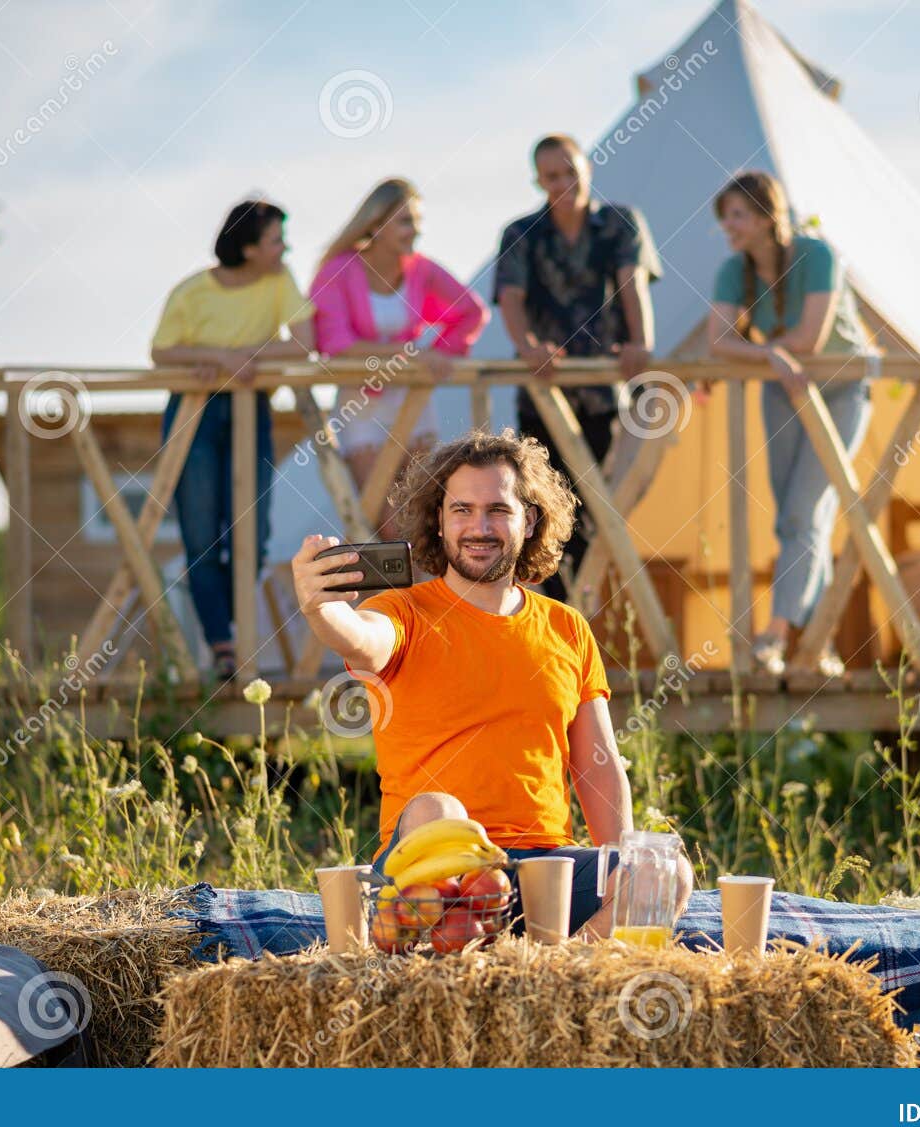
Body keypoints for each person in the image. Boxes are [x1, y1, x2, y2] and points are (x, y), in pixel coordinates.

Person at [290, 430, 693, 937]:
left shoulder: (566, 627)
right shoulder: (402, 611)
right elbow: (359, 639)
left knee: (665, 870)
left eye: (498, 510)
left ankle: (555, 974)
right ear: (438, 521)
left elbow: (599, 767)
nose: (478, 527)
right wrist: (322, 608)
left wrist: (625, 870)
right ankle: (454, 942)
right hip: (434, 871)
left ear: (530, 520)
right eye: (462, 510)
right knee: (439, 808)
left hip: (546, 872)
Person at [707, 171, 877, 677]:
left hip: (841, 390)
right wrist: (772, 357)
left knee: (803, 512)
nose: (728, 227)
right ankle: (818, 643)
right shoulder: (733, 271)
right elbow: (717, 341)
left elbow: (810, 338)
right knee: (798, 518)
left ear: (766, 217)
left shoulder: (816, 255)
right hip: (785, 388)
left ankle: (776, 634)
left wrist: (768, 353)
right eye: (725, 217)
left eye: (737, 215)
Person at [492, 134, 662, 602]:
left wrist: (639, 344)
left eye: (570, 171)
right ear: (539, 181)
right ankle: (552, 610)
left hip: (603, 393)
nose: (564, 183)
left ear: (587, 167)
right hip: (543, 395)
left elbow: (633, 286)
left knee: (590, 512)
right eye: (552, 176)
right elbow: (510, 299)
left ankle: (571, 614)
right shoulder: (521, 232)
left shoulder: (620, 223)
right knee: (539, 512)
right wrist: (528, 348)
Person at [151, 200, 315, 680]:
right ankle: (223, 645)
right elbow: (162, 353)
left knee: (252, 530)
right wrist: (217, 358)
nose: (284, 247)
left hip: (250, 410)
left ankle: (235, 630)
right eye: (274, 240)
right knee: (200, 534)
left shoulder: (279, 281)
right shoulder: (193, 290)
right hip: (192, 414)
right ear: (247, 248)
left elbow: (305, 343)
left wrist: (241, 355)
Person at [309, 178, 488, 538]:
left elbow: (472, 312)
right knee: (385, 525)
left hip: (413, 402)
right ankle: (393, 597)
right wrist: (411, 355)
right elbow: (335, 344)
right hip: (361, 409)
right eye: (406, 221)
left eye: (417, 221)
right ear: (376, 224)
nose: (415, 231)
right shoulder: (338, 271)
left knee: (422, 523)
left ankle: (423, 596)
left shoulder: (422, 270)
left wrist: (439, 354)